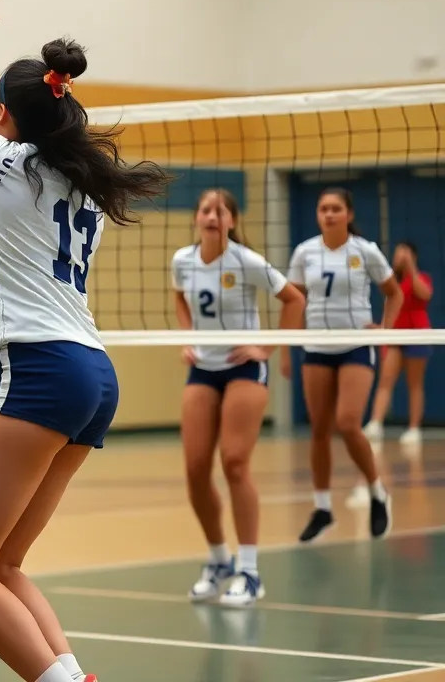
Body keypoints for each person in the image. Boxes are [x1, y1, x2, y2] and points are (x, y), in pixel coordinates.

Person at [0, 0, 170, 682]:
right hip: (93, 373)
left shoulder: (3, 165)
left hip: (39, 367)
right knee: (1, 564)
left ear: (3, 115)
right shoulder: (77, 180)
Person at [171, 189, 304, 606]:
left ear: (232, 220)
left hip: (244, 367)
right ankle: (218, 561)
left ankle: (249, 570)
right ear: (197, 217)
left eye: (221, 210)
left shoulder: (246, 261)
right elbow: (179, 297)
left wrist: (266, 348)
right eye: (206, 209)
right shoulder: (182, 261)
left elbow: (294, 299)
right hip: (203, 369)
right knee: (194, 469)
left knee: (234, 462)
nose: (212, 216)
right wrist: (187, 335)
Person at [284, 186, 401, 544]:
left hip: (355, 344)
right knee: (319, 428)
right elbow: (293, 298)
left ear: (348, 214)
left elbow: (393, 292)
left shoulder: (365, 251)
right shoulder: (305, 252)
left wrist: (385, 331)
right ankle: (322, 509)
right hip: (317, 344)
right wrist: (287, 347)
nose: (329, 214)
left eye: (336, 208)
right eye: (323, 209)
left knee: (348, 423)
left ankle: (378, 492)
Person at [364, 241, 433, 446]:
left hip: (418, 334)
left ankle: (414, 429)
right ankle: (375, 424)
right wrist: (382, 328)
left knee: (414, 384)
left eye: (404, 253)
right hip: (395, 334)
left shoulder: (421, 278)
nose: (399, 256)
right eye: (398, 252)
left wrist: (410, 266)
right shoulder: (392, 281)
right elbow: (390, 307)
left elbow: (425, 294)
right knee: (385, 380)